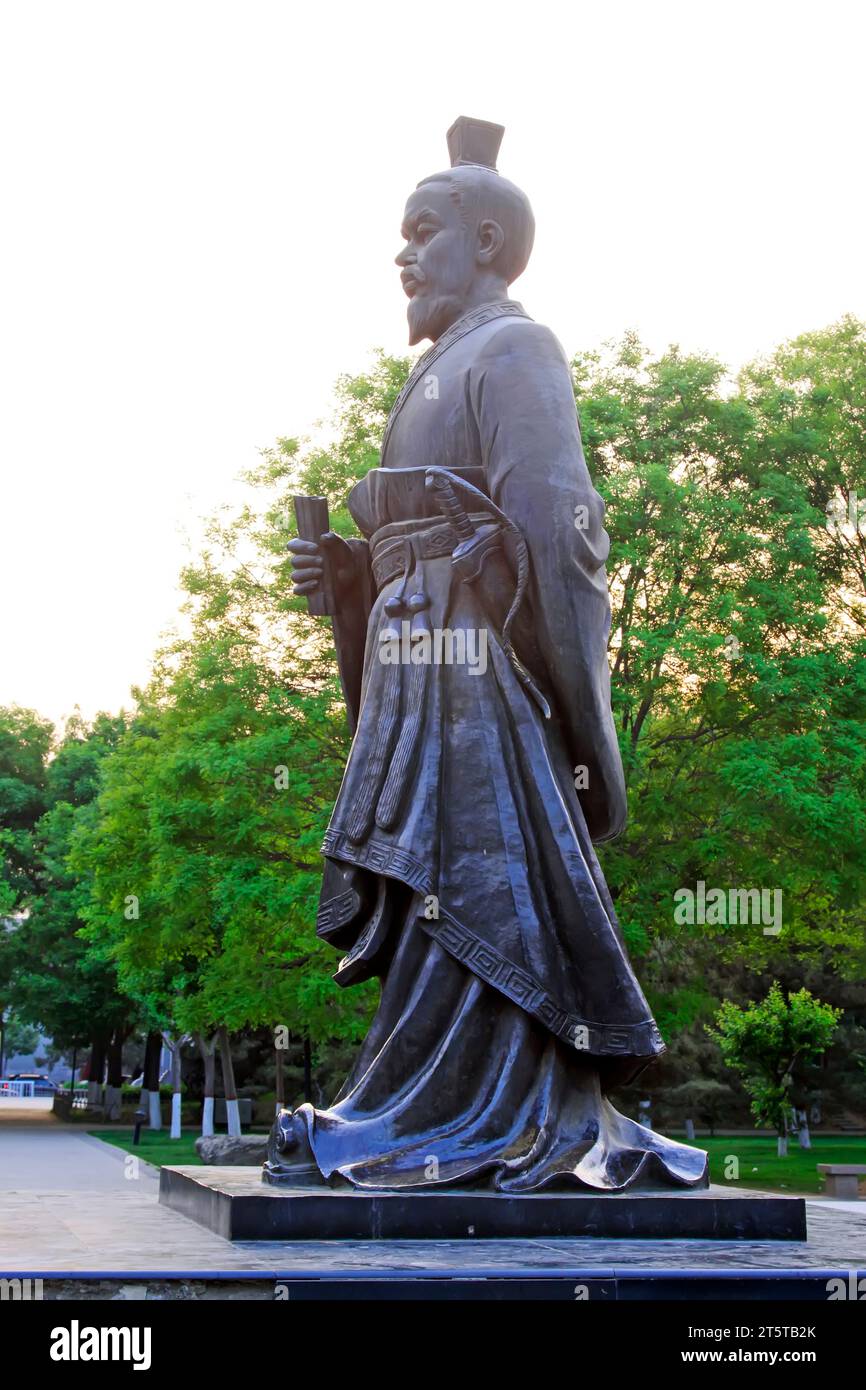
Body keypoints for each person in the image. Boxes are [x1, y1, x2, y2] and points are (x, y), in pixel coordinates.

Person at [268, 119, 707, 1192]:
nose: (403, 255)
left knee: (476, 887)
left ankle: (477, 1111)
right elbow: (417, 537)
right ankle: (410, 1099)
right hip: (419, 663)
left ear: (489, 242)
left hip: (474, 675)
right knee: (431, 892)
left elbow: (557, 533)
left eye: (424, 232)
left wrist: (585, 733)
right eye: (402, 236)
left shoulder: (516, 349)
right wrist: (350, 574)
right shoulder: (427, 376)